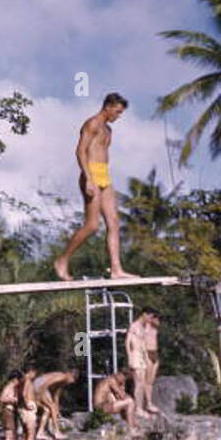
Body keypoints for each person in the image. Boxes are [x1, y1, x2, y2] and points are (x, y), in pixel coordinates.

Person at [54, 93, 136, 281]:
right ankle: (62, 260)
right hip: (90, 173)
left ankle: (116, 269)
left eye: (121, 113)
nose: (118, 116)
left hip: (104, 174)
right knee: (91, 226)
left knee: (114, 222)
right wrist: (89, 179)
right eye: (117, 112)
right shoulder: (92, 123)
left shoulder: (108, 130)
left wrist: (102, 178)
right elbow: (80, 151)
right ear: (108, 106)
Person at [33, 370, 77, 440]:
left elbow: (56, 395)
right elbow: (46, 384)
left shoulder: (62, 382)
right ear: (70, 375)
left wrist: (57, 410)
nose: (70, 383)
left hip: (41, 386)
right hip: (40, 385)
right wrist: (40, 395)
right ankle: (56, 432)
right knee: (52, 407)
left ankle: (40, 432)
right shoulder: (62, 376)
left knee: (47, 410)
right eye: (72, 379)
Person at [92, 370, 138, 434]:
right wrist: (122, 388)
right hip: (101, 407)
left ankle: (133, 425)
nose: (123, 383)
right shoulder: (111, 380)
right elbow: (122, 396)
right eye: (124, 380)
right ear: (121, 375)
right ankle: (131, 429)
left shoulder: (110, 381)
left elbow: (118, 398)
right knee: (130, 402)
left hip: (105, 406)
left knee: (127, 404)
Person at [125, 314, 151, 419]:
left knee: (142, 383)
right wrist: (129, 356)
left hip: (141, 357)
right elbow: (128, 342)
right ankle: (137, 408)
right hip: (135, 356)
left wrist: (146, 356)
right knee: (138, 382)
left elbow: (143, 343)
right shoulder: (134, 326)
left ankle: (140, 407)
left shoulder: (143, 327)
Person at [0, 371, 22, 440]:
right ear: (15, 379)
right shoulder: (9, 387)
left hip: (11, 412)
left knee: (13, 435)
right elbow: (2, 398)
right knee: (9, 434)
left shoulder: (13, 387)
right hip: (8, 411)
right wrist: (13, 400)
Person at [17, 367, 40, 440]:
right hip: (28, 410)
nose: (35, 376)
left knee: (25, 435)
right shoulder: (27, 381)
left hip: (22, 409)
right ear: (31, 372)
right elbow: (24, 394)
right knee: (31, 435)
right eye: (35, 373)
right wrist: (27, 404)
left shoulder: (21, 381)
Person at [142, 311, 163, 414]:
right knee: (146, 380)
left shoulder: (155, 329)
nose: (159, 321)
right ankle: (147, 403)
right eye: (157, 318)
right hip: (147, 353)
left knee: (151, 381)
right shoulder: (145, 328)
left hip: (155, 353)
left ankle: (149, 402)